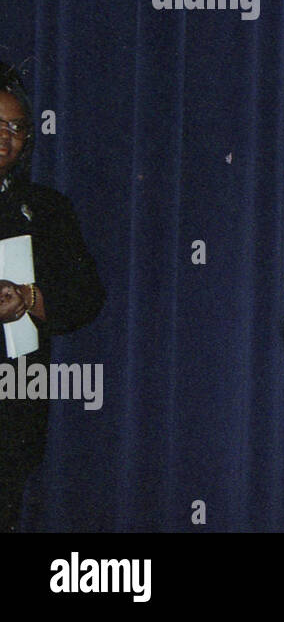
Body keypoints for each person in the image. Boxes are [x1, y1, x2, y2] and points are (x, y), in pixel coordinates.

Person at [0, 63, 104, 532]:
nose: (6, 137)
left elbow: (86, 295)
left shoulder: (46, 208)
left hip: (14, 406)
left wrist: (28, 296)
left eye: (16, 127)